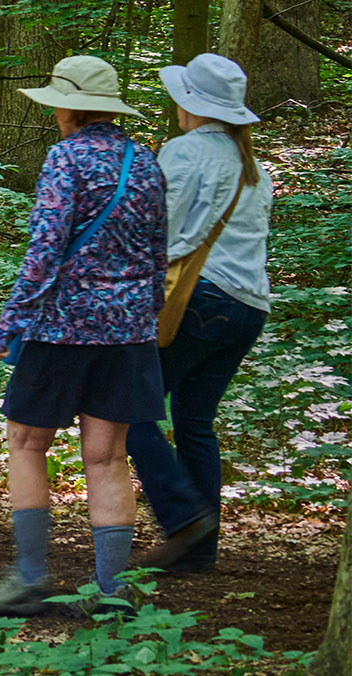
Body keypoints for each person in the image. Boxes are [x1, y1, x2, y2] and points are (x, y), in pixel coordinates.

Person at [0, 56, 168, 617]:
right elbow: (159, 253)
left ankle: (31, 577)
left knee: (26, 441)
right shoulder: (145, 161)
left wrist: (11, 321)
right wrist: (146, 314)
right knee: (107, 456)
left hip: (61, 328)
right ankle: (111, 590)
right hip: (128, 333)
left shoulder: (66, 159)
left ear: (68, 107)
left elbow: (45, 249)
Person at [126, 54, 273, 575]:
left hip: (199, 300)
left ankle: (184, 517)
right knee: (194, 421)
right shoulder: (253, 165)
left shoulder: (184, 151)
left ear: (191, 103)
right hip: (248, 306)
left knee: (130, 410)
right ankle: (199, 551)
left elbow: (156, 229)